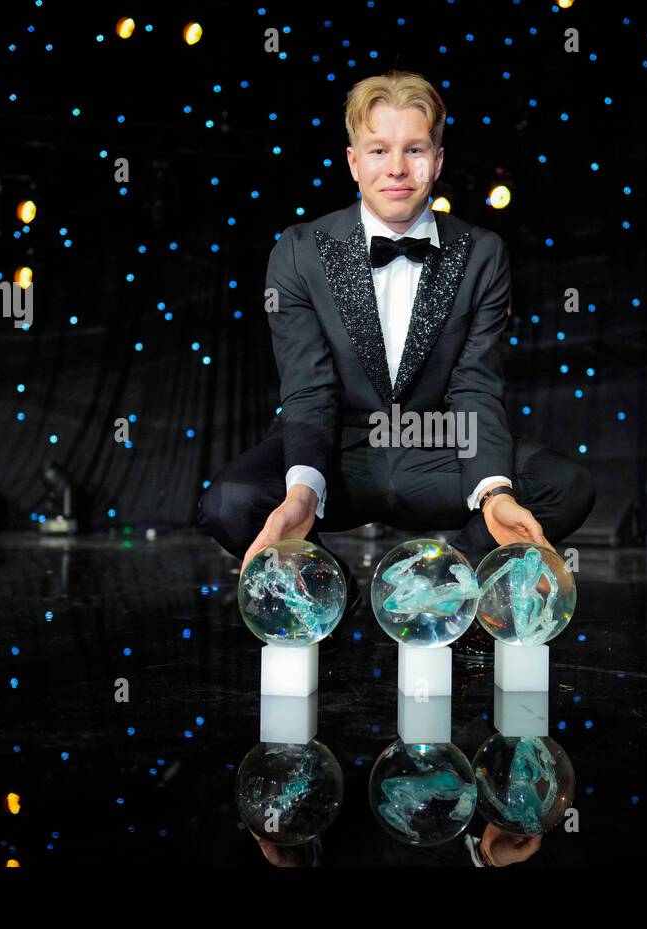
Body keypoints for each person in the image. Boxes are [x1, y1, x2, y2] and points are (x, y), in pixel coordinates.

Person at [198, 70, 594, 618]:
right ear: (353, 161)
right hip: (338, 448)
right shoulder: (298, 250)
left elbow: (475, 385)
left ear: (437, 159)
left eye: (414, 149)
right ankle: (330, 593)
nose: (397, 169)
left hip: (437, 444)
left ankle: (439, 590)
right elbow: (308, 391)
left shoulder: (482, 252)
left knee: (566, 486)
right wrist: (302, 496)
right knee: (229, 502)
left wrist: (495, 493)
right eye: (378, 150)